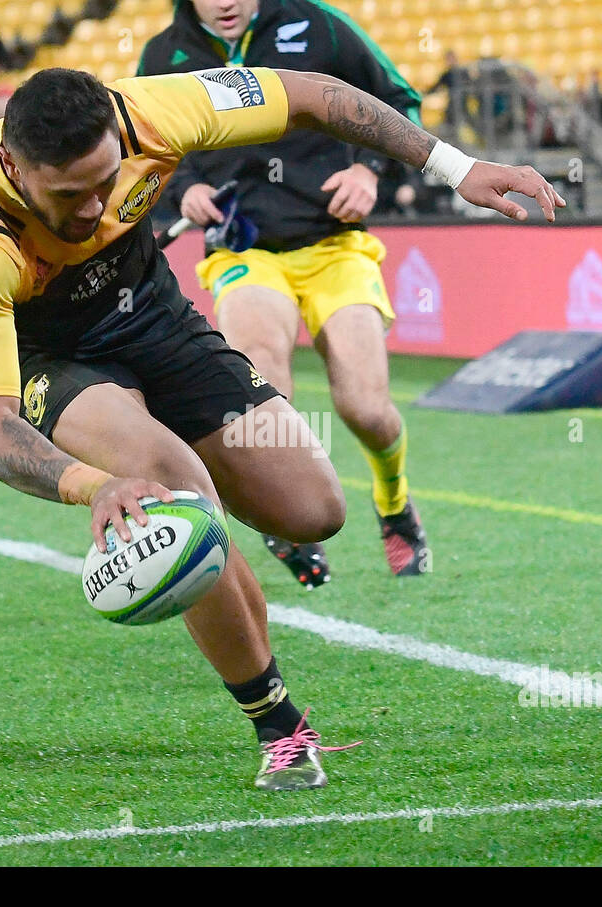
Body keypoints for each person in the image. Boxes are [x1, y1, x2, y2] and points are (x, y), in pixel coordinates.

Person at [0, 65, 562, 789]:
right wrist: (93, 486)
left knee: (313, 509)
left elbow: (316, 96)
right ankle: (279, 725)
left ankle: (198, 479)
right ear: (14, 166)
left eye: (106, 182)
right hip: (51, 355)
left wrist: (455, 165)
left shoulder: (158, 111)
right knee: (177, 498)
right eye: (69, 195)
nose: (95, 207)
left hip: (150, 315)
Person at [139, 0, 432, 584]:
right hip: (243, 249)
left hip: (333, 245)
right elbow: (146, 151)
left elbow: (400, 101)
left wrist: (370, 170)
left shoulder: (319, 22)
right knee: (266, 389)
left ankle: (394, 501)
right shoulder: (162, 56)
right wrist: (185, 190)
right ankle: (286, 515)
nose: (224, 2)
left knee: (366, 409)